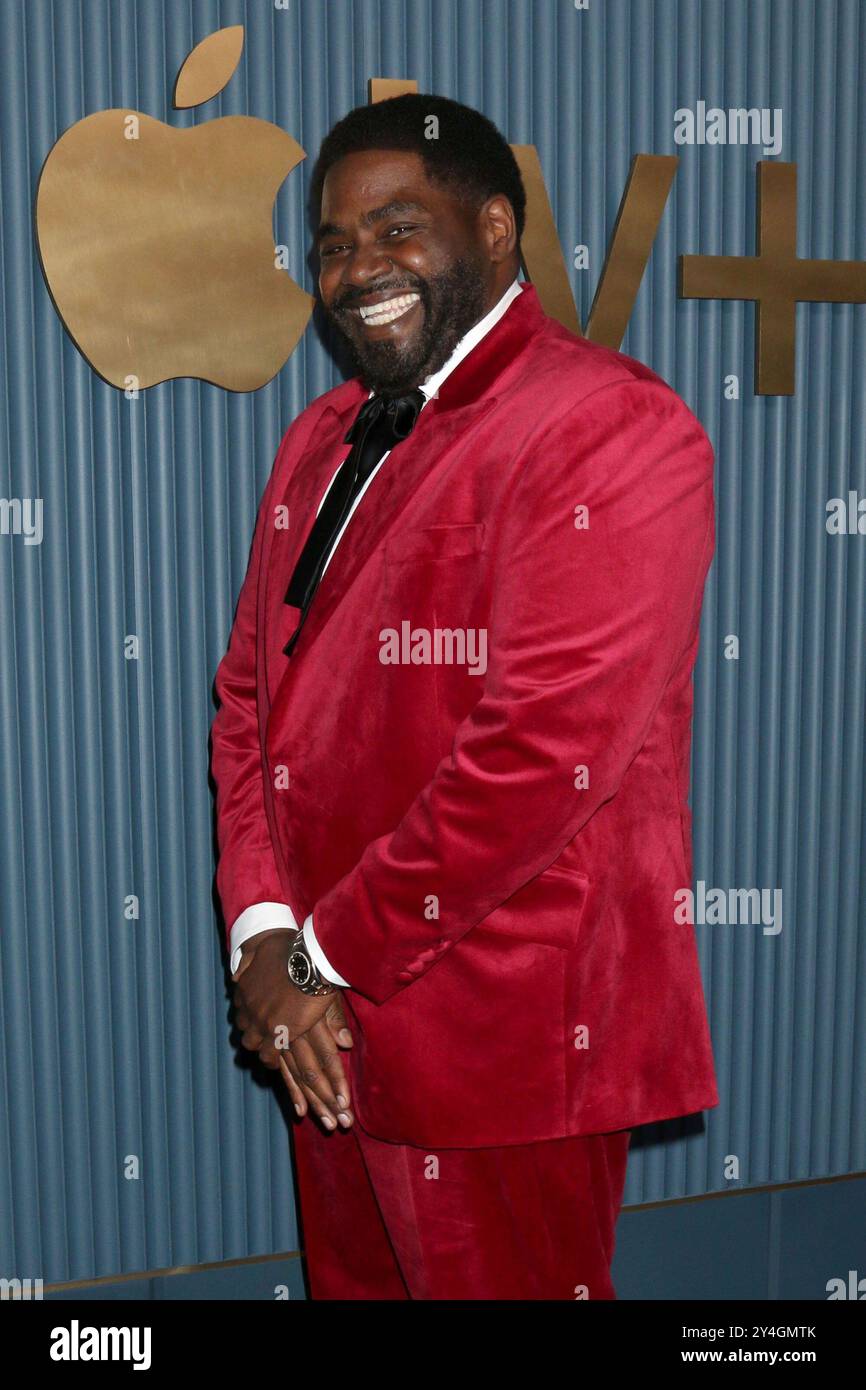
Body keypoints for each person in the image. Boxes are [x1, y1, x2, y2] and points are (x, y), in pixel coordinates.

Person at [210, 93, 719, 1300]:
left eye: (397, 227)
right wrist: (262, 938)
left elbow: (542, 756)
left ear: (494, 230)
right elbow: (250, 704)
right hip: (324, 1044)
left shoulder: (610, 427)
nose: (357, 268)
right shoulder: (318, 438)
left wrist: (316, 958)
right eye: (333, 243)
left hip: (501, 1049)